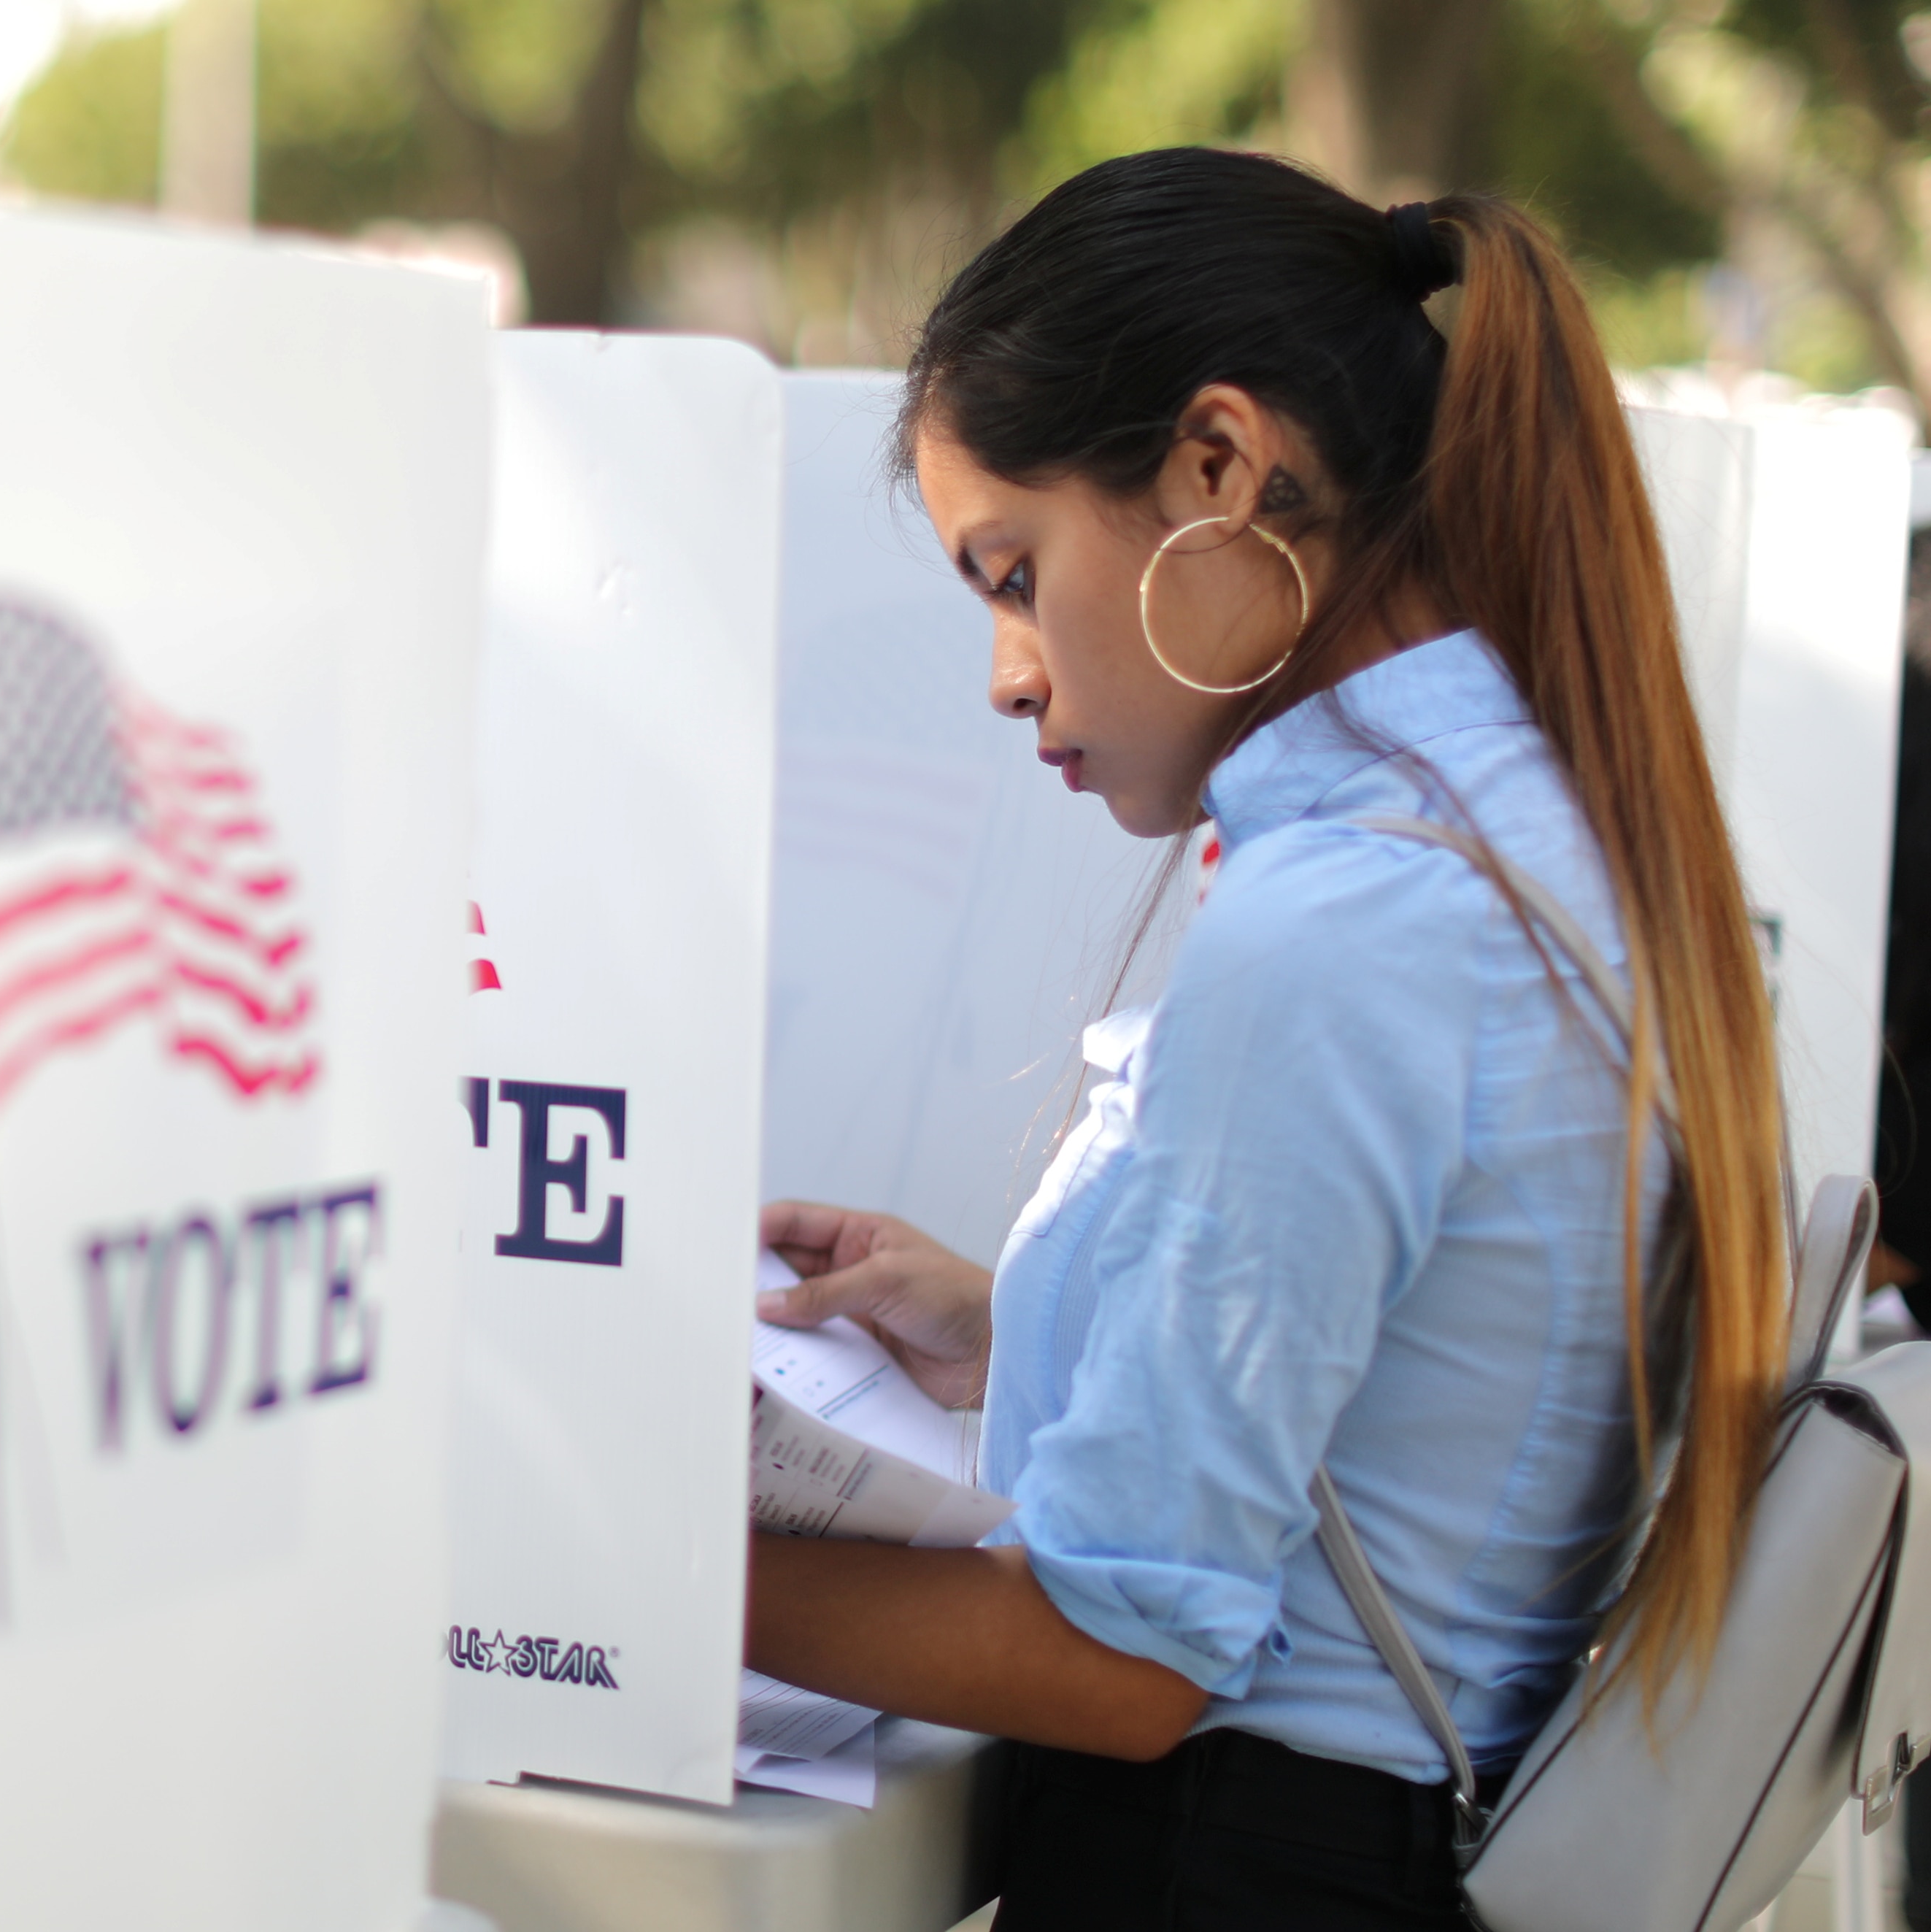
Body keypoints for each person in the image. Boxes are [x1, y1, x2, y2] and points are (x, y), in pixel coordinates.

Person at [742, 147, 1789, 1930]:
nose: (1007, 672)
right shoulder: (1525, 838)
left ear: (1218, 468)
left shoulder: (1353, 921)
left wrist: (628, 1568)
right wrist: (1010, 1327)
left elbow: (1124, 1659)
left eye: (1011, 570)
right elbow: (1414, 1375)